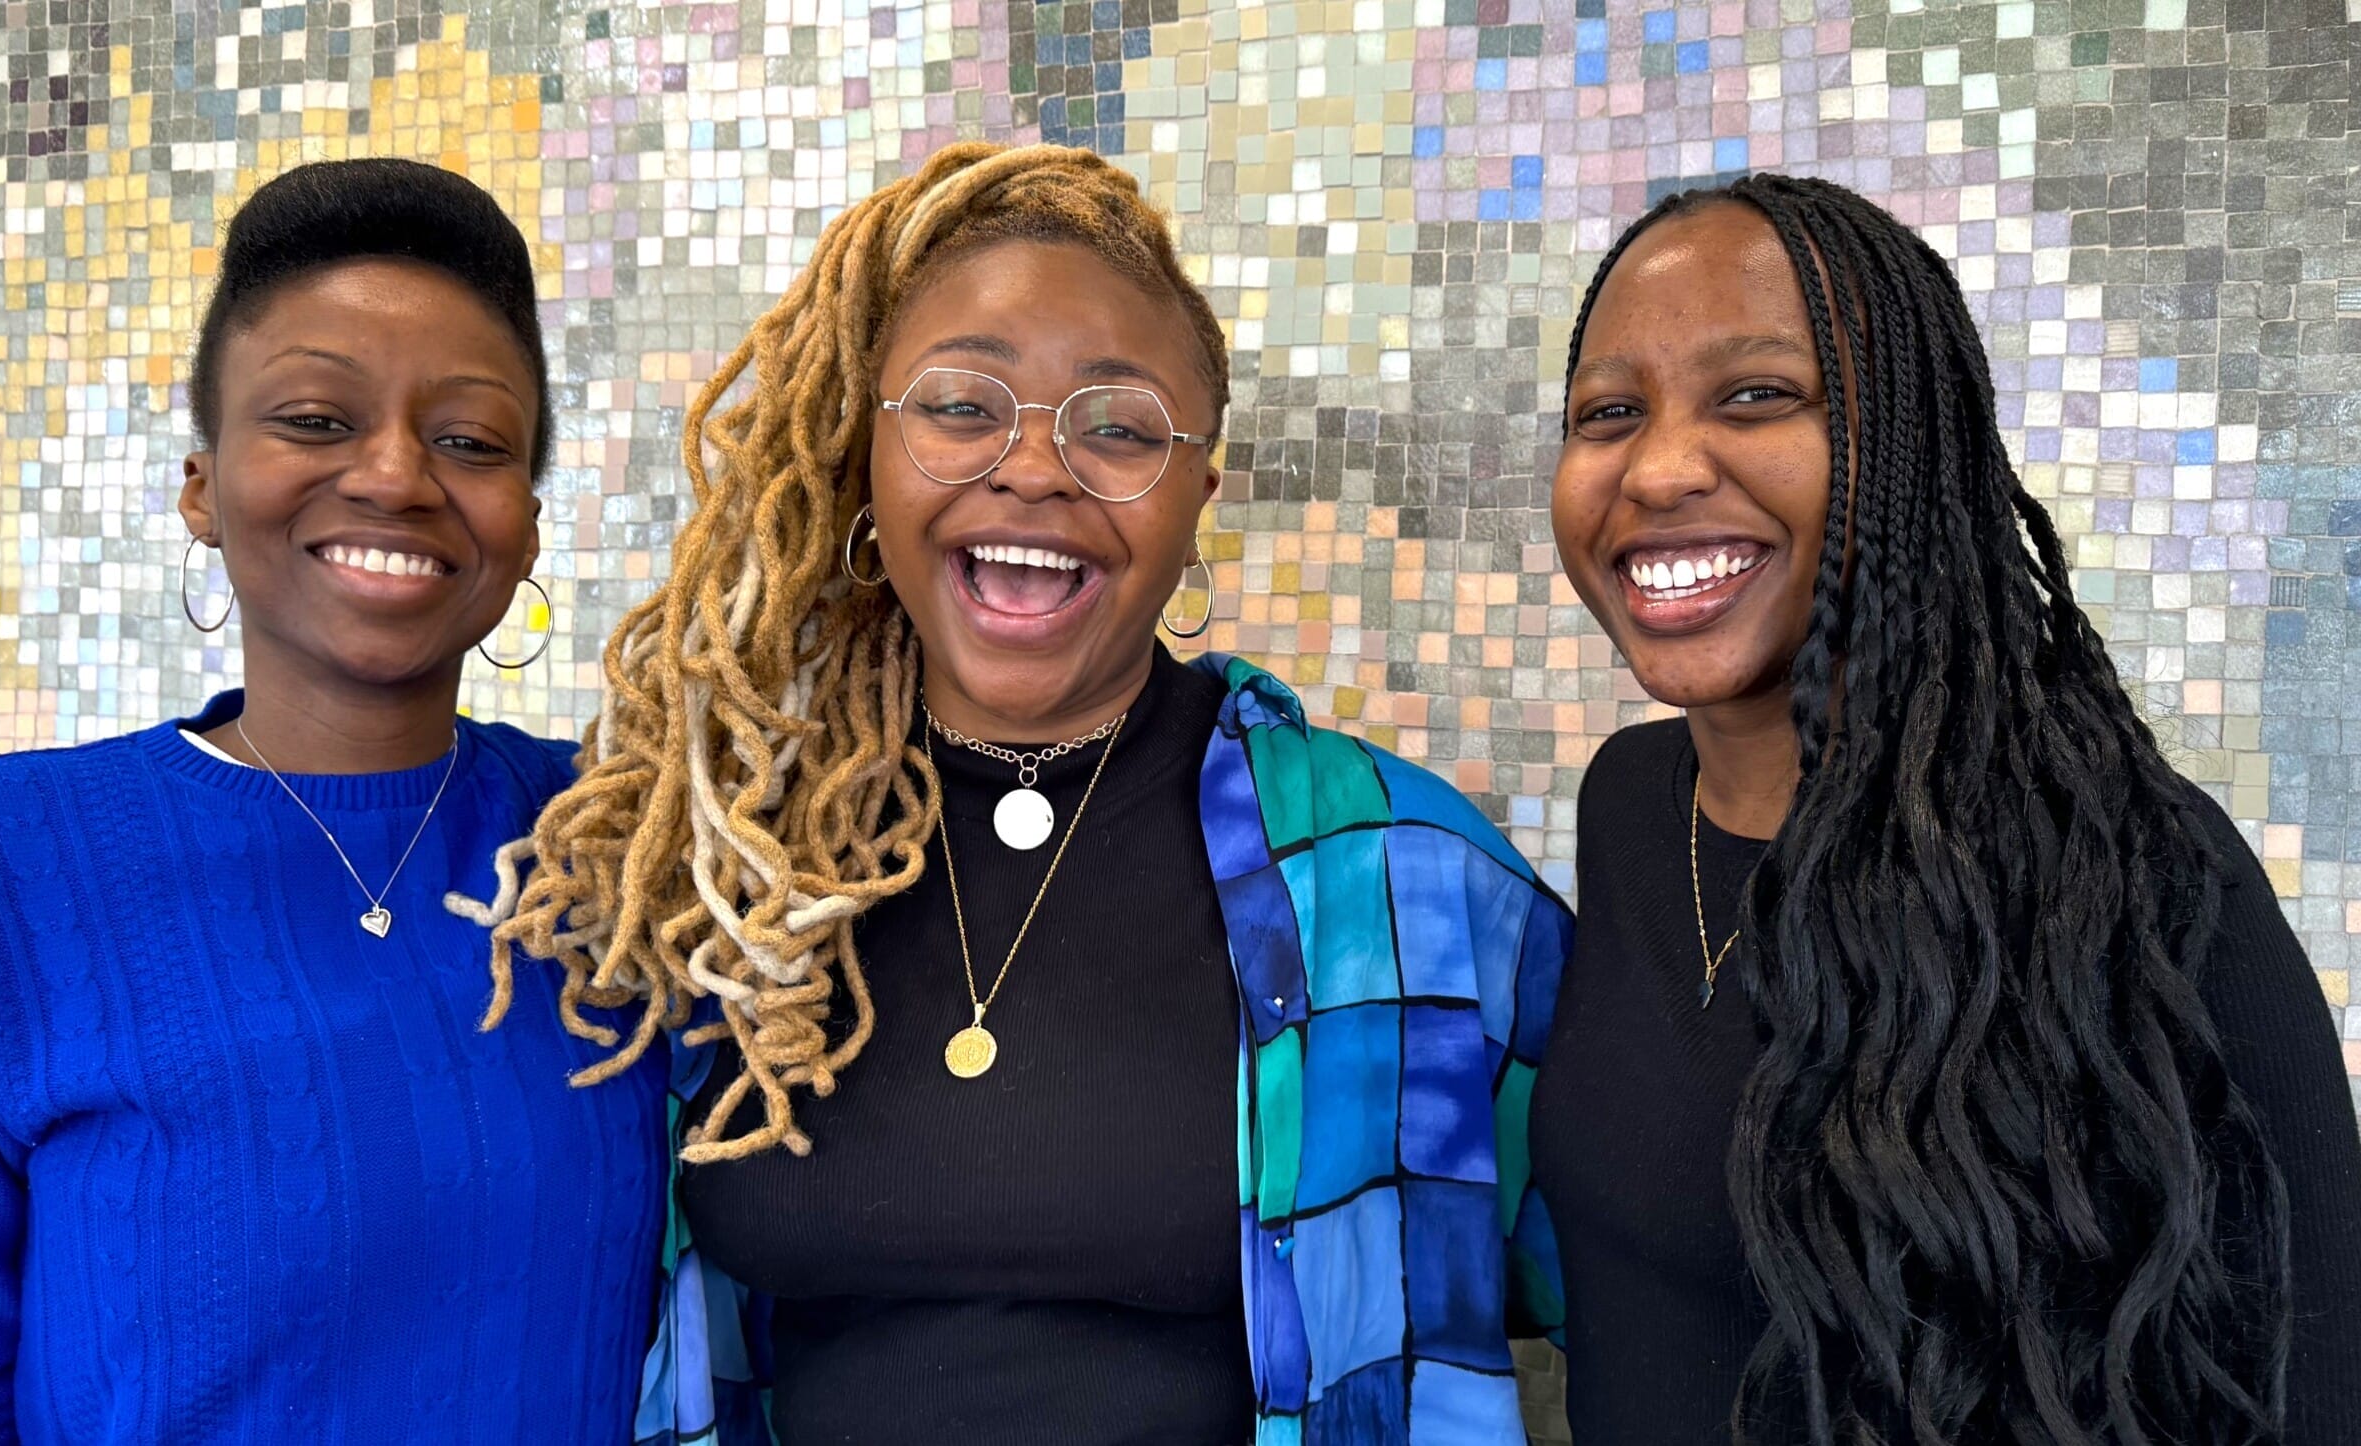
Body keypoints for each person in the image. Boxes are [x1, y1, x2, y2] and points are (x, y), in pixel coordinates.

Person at [461, 141, 1571, 1445]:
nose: (1035, 466)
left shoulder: (1403, 877)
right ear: (864, 458)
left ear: (1198, 497)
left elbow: (1625, 1267)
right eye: (959, 406)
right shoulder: (730, 867)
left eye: (1118, 427)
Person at [0, 158, 666, 1441]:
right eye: (315, 419)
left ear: (526, 525)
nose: (394, 475)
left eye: (469, 441)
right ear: (202, 485)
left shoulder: (632, 848)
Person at [1530, 173, 2361, 1444]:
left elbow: (2313, 1375)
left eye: (1756, 395)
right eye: (1608, 414)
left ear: (1910, 444)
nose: (1658, 468)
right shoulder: (1628, 804)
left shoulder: (2127, 864)